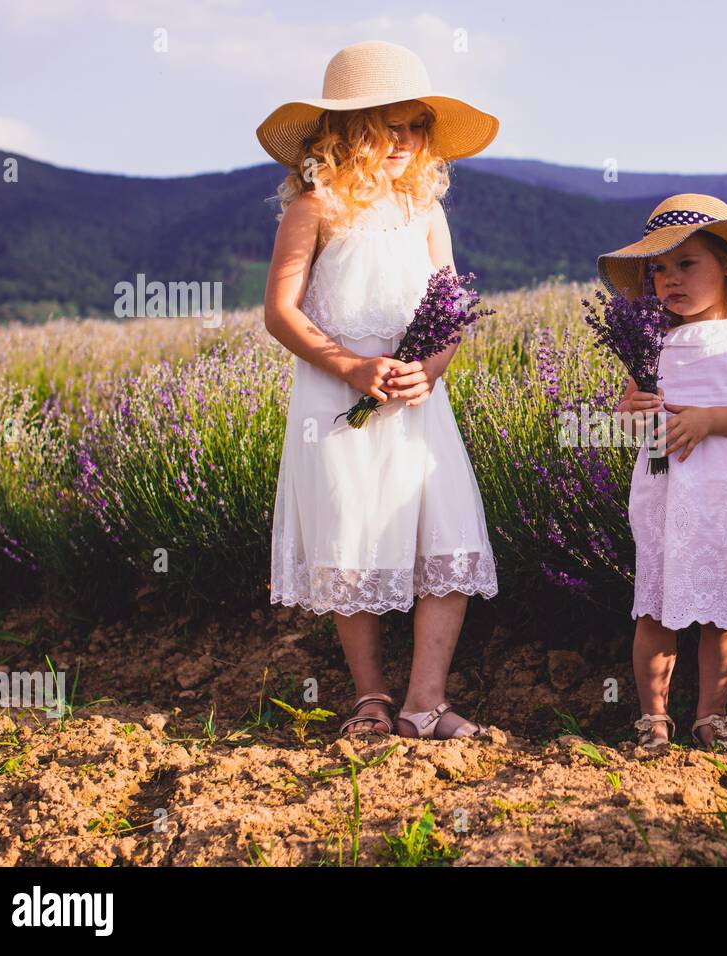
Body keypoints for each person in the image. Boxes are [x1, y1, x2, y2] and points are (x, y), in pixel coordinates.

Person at [259, 41, 500, 741]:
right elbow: (280, 312)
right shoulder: (314, 207)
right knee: (352, 538)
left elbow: (449, 308)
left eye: (416, 125)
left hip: (420, 402)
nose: (405, 140)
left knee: (447, 538)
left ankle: (426, 700)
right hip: (338, 405)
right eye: (386, 125)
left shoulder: (426, 211)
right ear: (344, 133)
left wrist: (433, 367)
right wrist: (352, 369)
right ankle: (370, 697)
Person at [601, 194, 727, 752]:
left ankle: (712, 717)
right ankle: (653, 720)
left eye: (687, 264)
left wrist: (709, 421)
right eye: (659, 269)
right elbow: (633, 421)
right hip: (666, 489)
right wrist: (629, 415)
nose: (669, 280)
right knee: (656, 604)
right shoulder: (650, 343)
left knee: (721, 611)